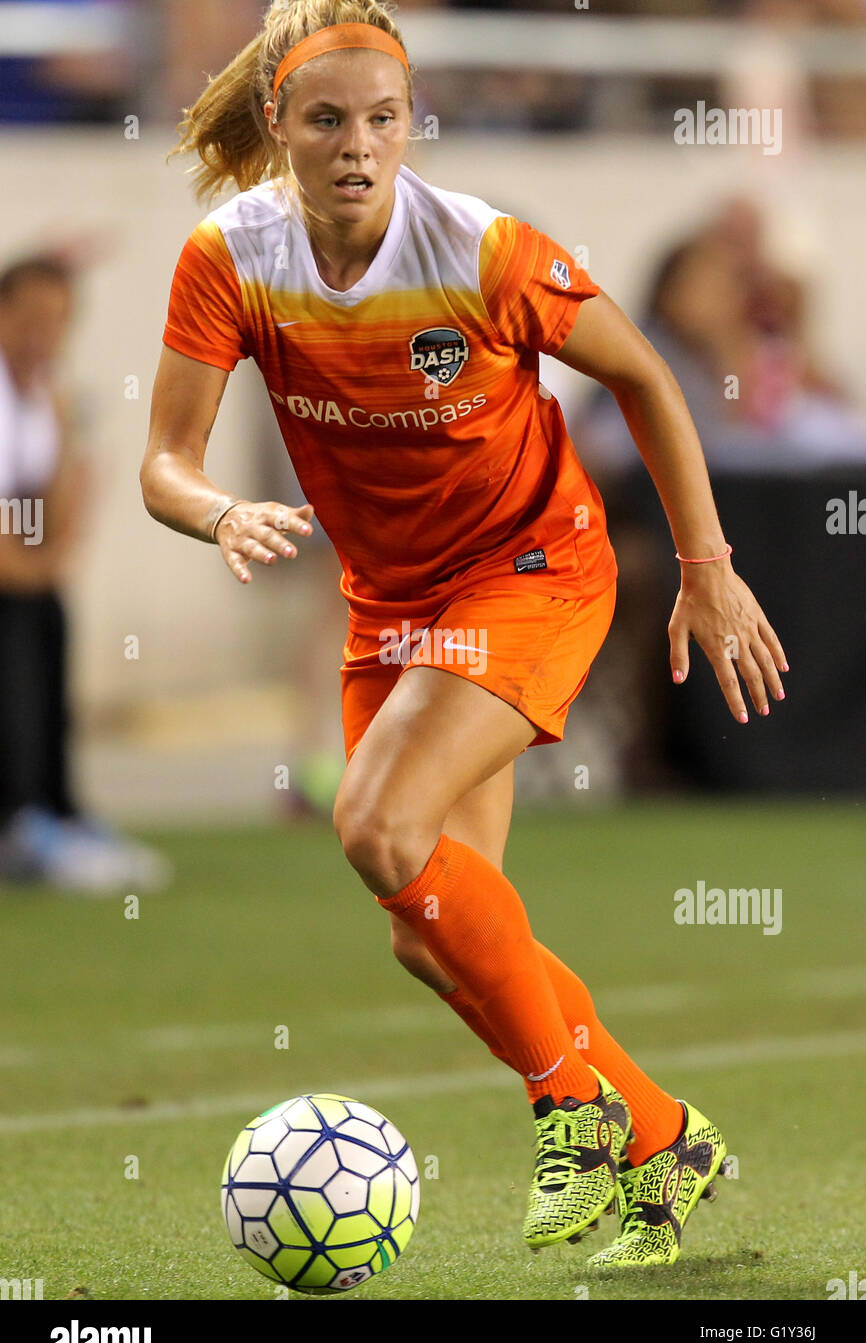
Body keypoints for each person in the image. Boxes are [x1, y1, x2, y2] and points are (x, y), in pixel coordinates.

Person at [141, 0, 788, 1270]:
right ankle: (659, 1133)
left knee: (374, 824)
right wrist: (219, 513)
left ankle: (566, 1108)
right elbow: (165, 461)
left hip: (532, 570)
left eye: (381, 120)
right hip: (393, 604)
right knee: (424, 934)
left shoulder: (478, 248)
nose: (356, 147)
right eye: (325, 120)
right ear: (278, 123)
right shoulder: (230, 257)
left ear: (409, 123)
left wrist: (704, 566)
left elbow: (646, 374)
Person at [0, 254, 170, 892]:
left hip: (25, 571)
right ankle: (19, 821)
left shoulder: (46, 393)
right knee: (15, 640)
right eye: (33, 318)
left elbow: (61, 502)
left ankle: (57, 809)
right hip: (7, 573)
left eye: (59, 322)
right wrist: (32, 563)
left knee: (47, 627)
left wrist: (66, 426)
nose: (45, 335)